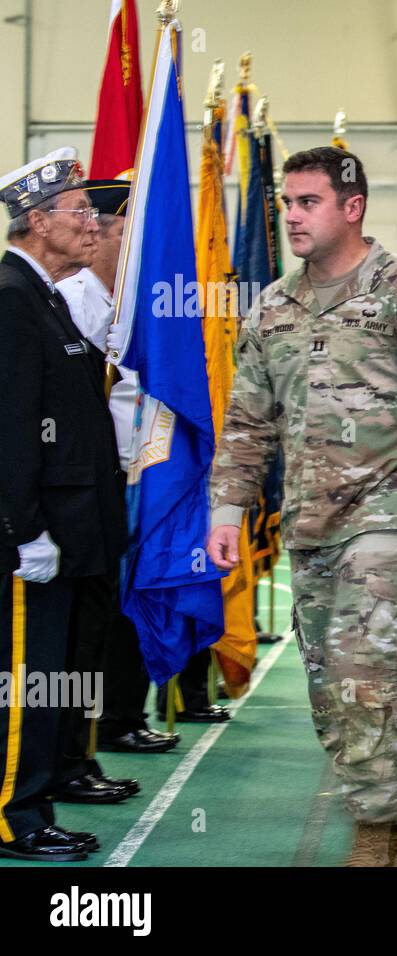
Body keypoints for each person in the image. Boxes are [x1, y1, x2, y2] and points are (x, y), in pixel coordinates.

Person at [206, 147, 397, 867]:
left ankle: (374, 832)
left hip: (388, 518)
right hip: (311, 523)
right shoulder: (274, 305)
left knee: (365, 673)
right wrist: (226, 509)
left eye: (308, 203)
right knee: (331, 689)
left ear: (352, 206)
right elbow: (248, 421)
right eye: (287, 204)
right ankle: (396, 824)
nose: (292, 216)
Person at [0, 148, 127, 861]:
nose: (93, 225)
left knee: (51, 677)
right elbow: (10, 427)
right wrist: (23, 529)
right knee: (26, 680)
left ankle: (36, 799)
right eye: (79, 212)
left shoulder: (44, 294)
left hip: (72, 529)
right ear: (38, 220)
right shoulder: (12, 299)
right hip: (35, 536)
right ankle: (14, 812)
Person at [55, 179, 179, 765]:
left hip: (138, 473)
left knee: (124, 603)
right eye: (131, 233)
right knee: (91, 617)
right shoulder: (74, 300)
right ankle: (90, 735)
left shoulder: (131, 303)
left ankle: (123, 716)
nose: (141, 246)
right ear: (99, 231)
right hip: (93, 479)